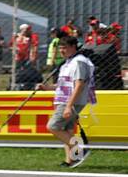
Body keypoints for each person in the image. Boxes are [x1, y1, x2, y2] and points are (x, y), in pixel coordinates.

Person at [37, 33, 95, 167]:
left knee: (53, 126)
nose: (62, 51)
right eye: (60, 48)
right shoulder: (67, 62)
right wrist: (47, 88)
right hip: (63, 100)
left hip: (71, 101)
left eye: (65, 47)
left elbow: (79, 84)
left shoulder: (79, 61)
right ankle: (70, 160)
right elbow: (64, 84)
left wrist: (69, 106)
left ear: (74, 47)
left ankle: (80, 150)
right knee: (66, 131)